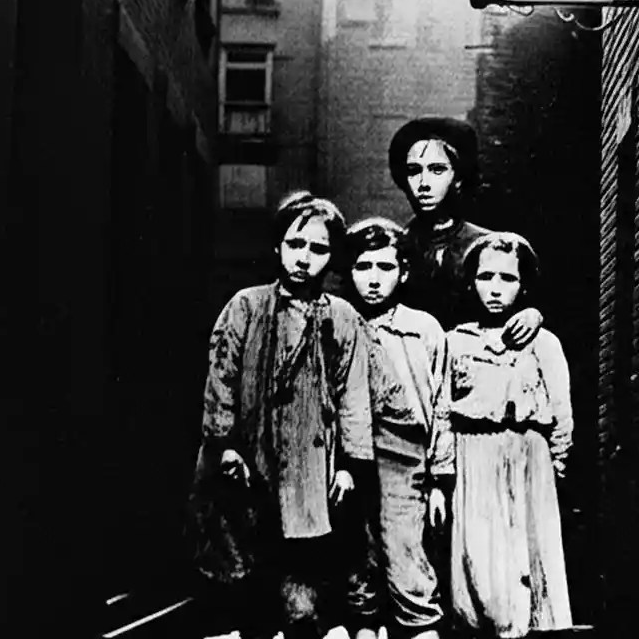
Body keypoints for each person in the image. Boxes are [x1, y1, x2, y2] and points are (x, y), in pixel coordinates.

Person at [186, 191, 375, 639]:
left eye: (318, 248)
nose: (304, 258)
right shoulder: (246, 306)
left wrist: (349, 465)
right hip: (251, 452)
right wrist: (224, 445)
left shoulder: (343, 318)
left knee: (302, 566)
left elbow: (353, 394)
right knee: (243, 549)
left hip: (310, 458)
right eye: (295, 244)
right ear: (277, 246)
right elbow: (221, 380)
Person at [446, 232, 574, 639]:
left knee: (525, 564)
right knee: (480, 570)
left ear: (523, 285)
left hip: (528, 460)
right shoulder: (454, 342)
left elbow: (561, 410)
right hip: (473, 459)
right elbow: (441, 409)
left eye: (507, 278)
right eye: (486, 277)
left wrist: (556, 463)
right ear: (471, 283)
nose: (496, 288)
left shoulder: (543, 342)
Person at [341, 217, 454, 639]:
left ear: (404, 272)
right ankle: (364, 625)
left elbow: (442, 405)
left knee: (407, 553)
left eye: (385, 267)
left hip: (407, 459)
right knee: (357, 553)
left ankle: (421, 625)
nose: (374, 279)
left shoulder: (424, 329)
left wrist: (440, 477)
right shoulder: (339, 323)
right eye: (363, 267)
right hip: (350, 456)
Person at [387, 117, 543, 347]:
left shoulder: (488, 246)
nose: (423, 183)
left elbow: (523, 296)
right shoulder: (395, 248)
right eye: (413, 171)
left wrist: (532, 314)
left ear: (458, 177)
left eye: (437, 170)